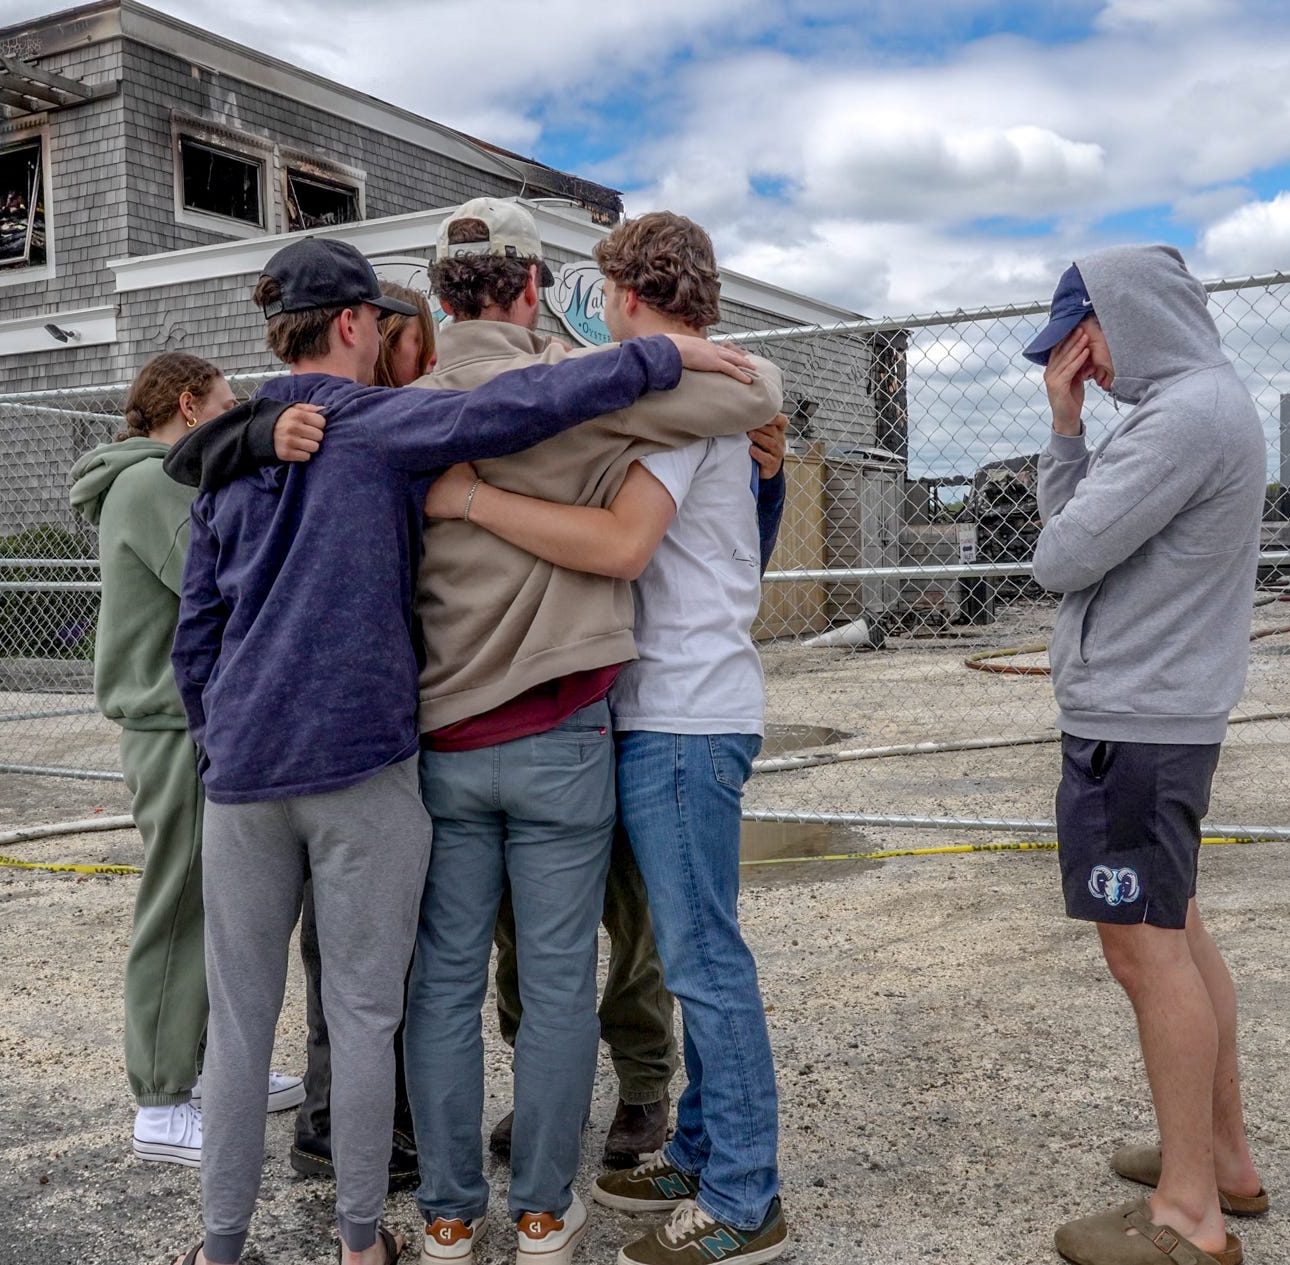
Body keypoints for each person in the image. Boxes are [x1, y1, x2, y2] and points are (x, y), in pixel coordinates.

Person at [164, 237, 760, 1265]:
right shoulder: (417, 420)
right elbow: (520, 412)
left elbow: (197, 624)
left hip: (320, 761)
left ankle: (363, 1225)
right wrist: (666, 358)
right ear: (359, 324)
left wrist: (221, 737)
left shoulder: (261, 441)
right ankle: (481, 1221)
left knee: (336, 1002)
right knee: (450, 998)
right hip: (450, 750)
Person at [400, 200, 784, 1265]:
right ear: (533, 291)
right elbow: (756, 407)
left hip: (671, 709)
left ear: (620, 300)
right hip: (614, 712)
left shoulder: (669, 405)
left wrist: (471, 500)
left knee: (695, 955)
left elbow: (623, 545)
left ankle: (744, 1195)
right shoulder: (645, 403)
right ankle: (673, 1157)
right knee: (629, 954)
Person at [1024, 247, 1266, 1265]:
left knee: (1143, 947)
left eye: (1087, 345)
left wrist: (1063, 425)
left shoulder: (1178, 420)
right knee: (1178, 928)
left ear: (1120, 318)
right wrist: (1079, 431)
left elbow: (1057, 555)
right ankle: (1220, 1156)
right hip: (1163, 716)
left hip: (1137, 724)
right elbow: (1077, 541)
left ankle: (1188, 1215)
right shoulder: (1206, 406)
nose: (1088, 368)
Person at [68, 353, 318, 1167]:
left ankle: (208, 1071)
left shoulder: (159, 482)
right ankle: (162, 1098)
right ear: (188, 404)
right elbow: (225, 574)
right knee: (178, 911)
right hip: (171, 729)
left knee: (220, 910)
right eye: (228, 403)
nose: (238, 414)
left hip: (196, 726)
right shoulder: (148, 485)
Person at [293, 279, 438, 1189]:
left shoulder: (305, 429)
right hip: (381, 727)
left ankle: (331, 1119)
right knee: (385, 950)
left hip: (310, 731)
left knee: (336, 946)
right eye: (408, 335)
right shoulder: (384, 434)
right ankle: (372, 1128)